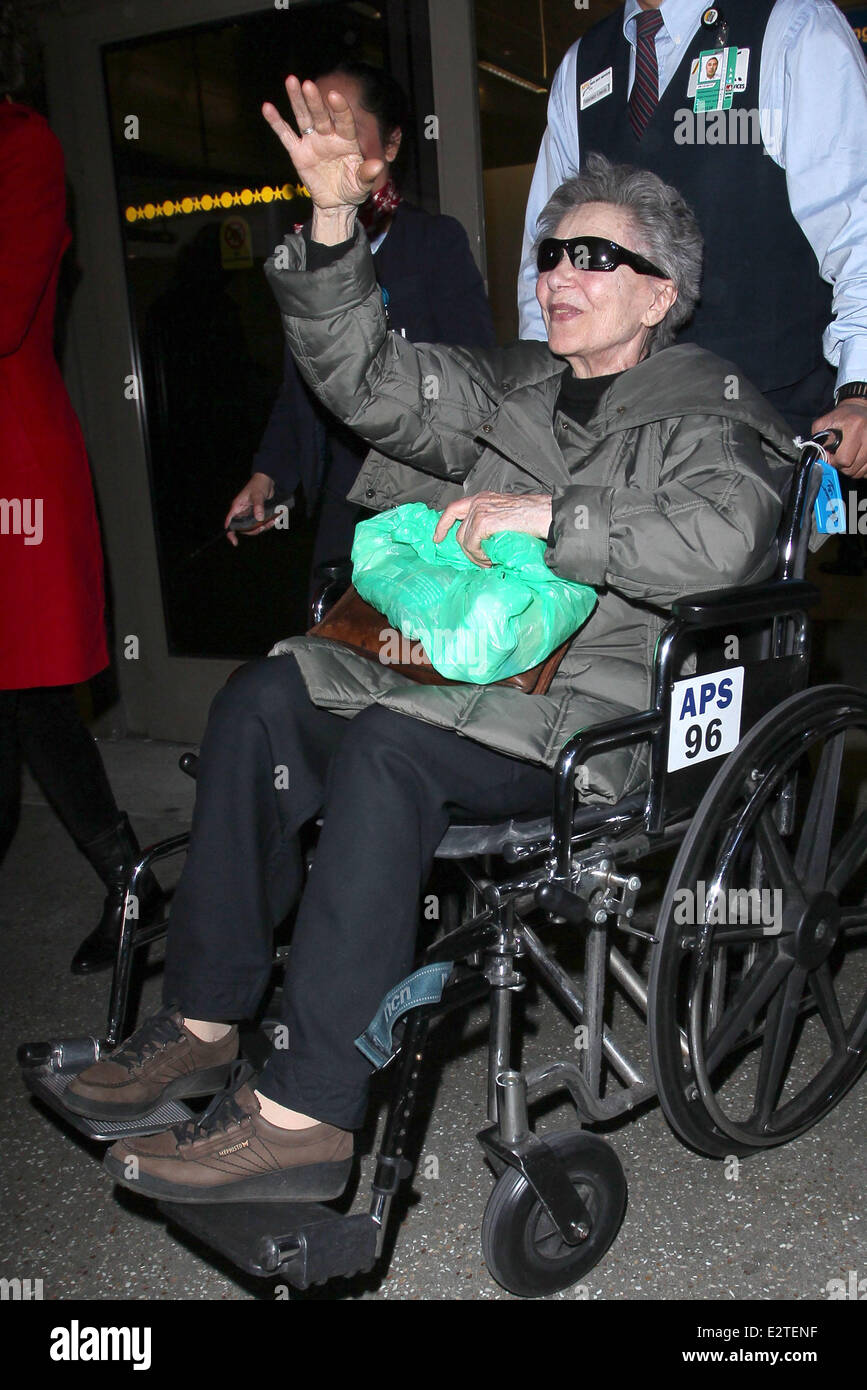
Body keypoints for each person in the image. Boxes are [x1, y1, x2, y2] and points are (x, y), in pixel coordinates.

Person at [63, 80, 798, 1205]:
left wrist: (553, 517)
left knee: (385, 753)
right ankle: (204, 1023)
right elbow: (363, 378)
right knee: (264, 698)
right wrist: (332, 220)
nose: (558, 277)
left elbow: (726, 538)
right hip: (462, 672)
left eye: (594, 258)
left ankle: (303, 1117)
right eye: (550, 255)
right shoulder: (513, 386)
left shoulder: (718, 410)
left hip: (589, 711)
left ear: (661, 293)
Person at [518, 0, 867, 480]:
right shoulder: (584, 64)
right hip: (614, 436)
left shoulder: (790, 27)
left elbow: (857, 226)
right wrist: (539, 401)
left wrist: (860, 387)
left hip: (769, 429)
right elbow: (544, 254)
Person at [0, 3, 162, 975]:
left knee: (33, 701)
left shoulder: (22, 147)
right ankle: (131, 882)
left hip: (14, 472)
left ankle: (130, 882)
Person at [224, 60, 495, 598]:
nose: (330, 141)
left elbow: (477, 378)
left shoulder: (434, 242)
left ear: (391, 144)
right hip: (341, 502)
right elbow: (299, 384)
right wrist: (267, 474)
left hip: (424, 501)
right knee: (332, 638)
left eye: (344, 123)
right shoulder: (304, 255)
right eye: (315, 127)